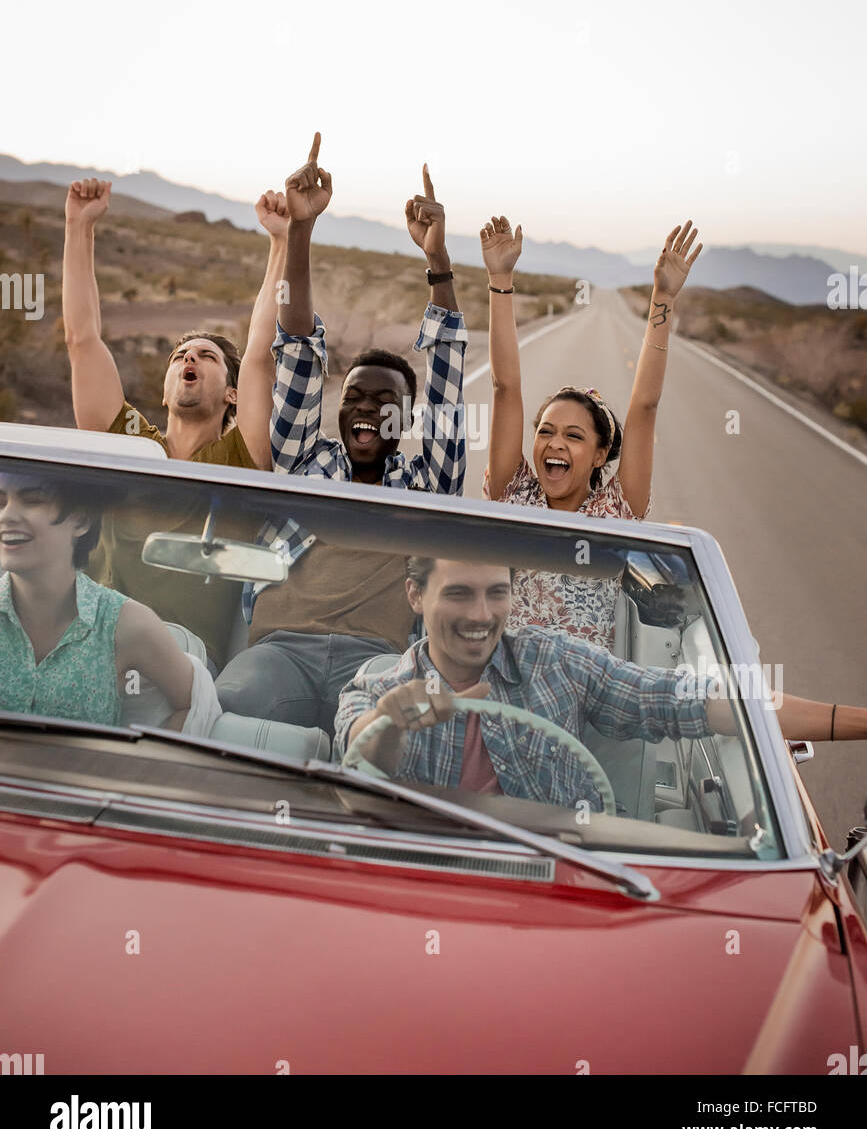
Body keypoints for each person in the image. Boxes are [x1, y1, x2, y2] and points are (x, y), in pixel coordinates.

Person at [216, 140, 468, 734]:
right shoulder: (307, 460)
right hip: (280, 651)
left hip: (378, 662)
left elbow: (448, 375)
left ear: (407, 421)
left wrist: (438, 262)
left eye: (385, 402)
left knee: (400, 742)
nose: (364, 409)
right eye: (353, 397)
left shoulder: (425, 482)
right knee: (225, 712)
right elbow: (300, 347)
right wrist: (300, 231)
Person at [334, 557, 867, 807]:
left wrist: (856, 721)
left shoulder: (555, 660)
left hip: (565, 892)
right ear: (414, 595)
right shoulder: (376, 690)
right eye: (458, 594)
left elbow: (693, 702)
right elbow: (359, 753)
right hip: (430, 892)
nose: (482, 613)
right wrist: (391, 724)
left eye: (497, 592)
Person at [61, 174, 289, 667]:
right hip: (91, 639)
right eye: (180, 355)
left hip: (180, 658)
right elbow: (82, 341)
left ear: (232, 393)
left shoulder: (241, 456)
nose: (189, 358)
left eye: (206, 356)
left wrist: (280, 243)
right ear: (165, 388)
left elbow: (259, 357)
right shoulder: (129, 440)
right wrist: (78, 227)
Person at [479, 214, 703, 650]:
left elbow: (644, 407)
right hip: (507, 678)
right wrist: (500, 279)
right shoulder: (515, 492)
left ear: (601, 455)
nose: (554, 443)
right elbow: (505, 387)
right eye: (546, 431)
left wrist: (662, 297)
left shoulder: (615, 512)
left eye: (575, 436)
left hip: (581, 688)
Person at [0, 472, 196, 728]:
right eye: (0, 501)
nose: (6, 515)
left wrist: (137, 765)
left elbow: (193, 704)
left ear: (81, 519)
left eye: (33, 500)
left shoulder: (126, 623)